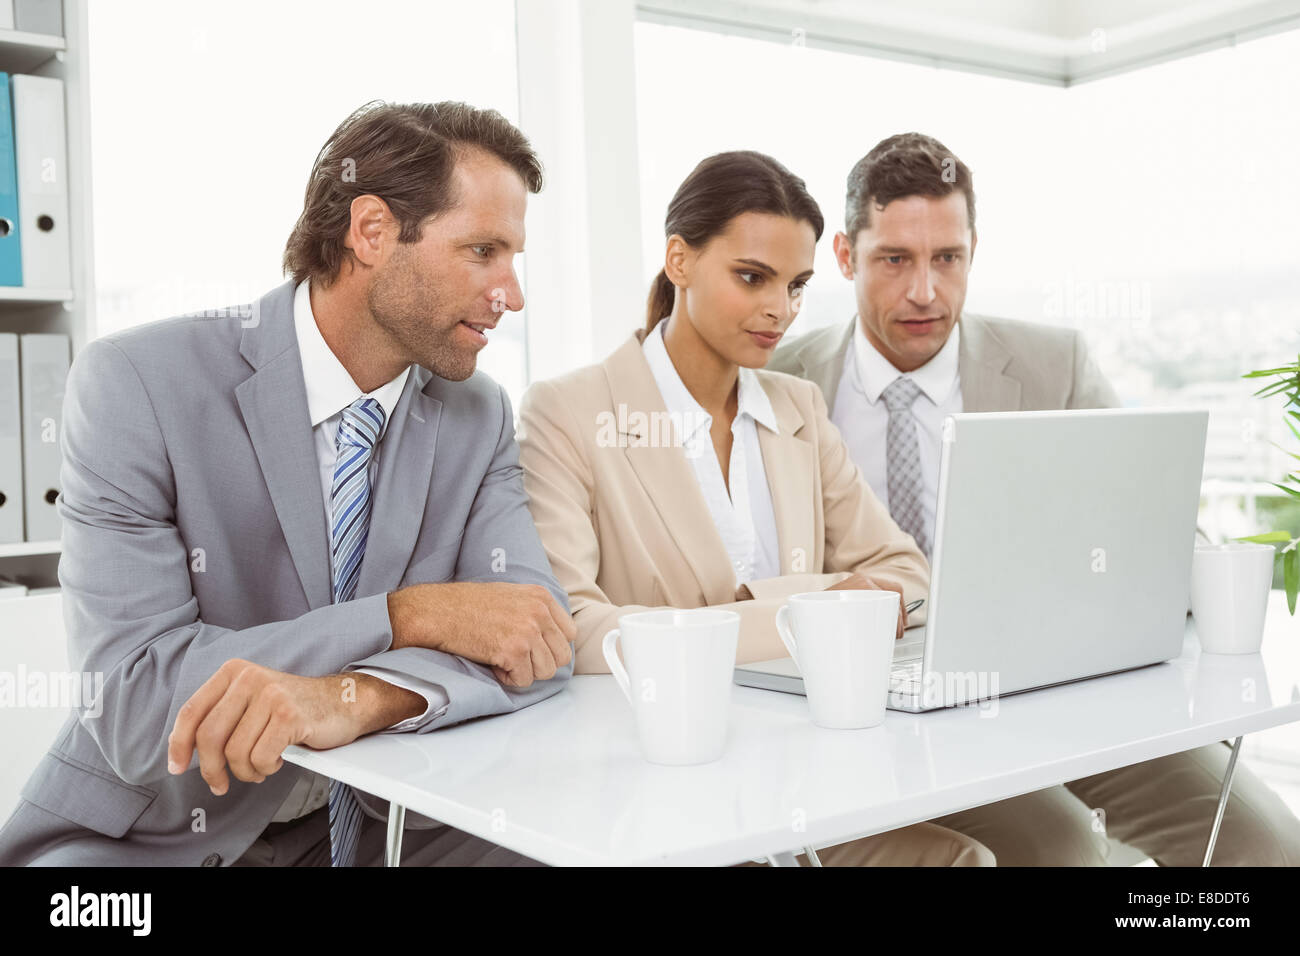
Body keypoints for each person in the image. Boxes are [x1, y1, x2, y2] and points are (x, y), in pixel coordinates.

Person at [0, 101, 576, 867]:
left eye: (514, 257)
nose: (512, 293)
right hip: (154, 836)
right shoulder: (137, 385)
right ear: (371, 231)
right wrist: (411, 617)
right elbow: (137, 702)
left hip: (394, 825)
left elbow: (538, 641)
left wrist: (350, 698)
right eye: (482, 251)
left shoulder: (476, 413)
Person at [769, 131, 1300, 866]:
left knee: (1266, 844)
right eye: (895, 260)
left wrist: (1187, 569)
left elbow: (1157, 528)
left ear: (973, 252)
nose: (925, 290)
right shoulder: (781, 380)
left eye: (947, 258)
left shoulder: (1055, 365)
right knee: (1065, 856)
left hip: (1063, 697)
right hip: (885, 722)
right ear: (844, 257)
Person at [517, 150, 993, 866]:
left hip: (818, 762)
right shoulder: (570, 411)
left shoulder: (795, 407)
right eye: (752, 277)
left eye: (797, 285)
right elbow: (577, 631)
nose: (781, 309)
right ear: (679, 259)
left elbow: (904, 569)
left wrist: (803, 606)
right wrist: (814, 607)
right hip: (664, 787)